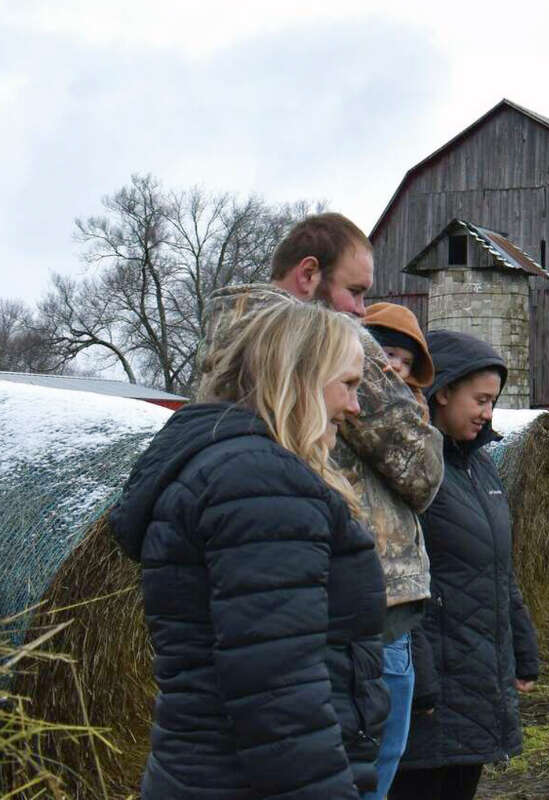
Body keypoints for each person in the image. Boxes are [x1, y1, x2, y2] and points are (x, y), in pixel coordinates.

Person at [200, 214, 444, 800]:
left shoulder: (225, 342)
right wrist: (412, 407)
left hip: (269, 601)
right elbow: (421, 471)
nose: (363, 311)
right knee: (360, 777)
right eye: (356, 291)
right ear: (309, 275)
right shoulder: (333, 340)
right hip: (365, 606)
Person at [109, 302, 387, 798]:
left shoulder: (226, 467)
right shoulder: (262, 484)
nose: (355, 407)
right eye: (347, 384)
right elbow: (280, 690)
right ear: (298, 378)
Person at [390, 331, 540, 800]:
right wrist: (424, 678)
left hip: (477, 675)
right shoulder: (412, 470)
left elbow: (497, 568)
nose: (487, 414)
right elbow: (395, 580)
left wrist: (523, 645)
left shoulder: (481, 469)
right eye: (480, 400)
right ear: (444, 390)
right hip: (432, 683)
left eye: (493, 402)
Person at [357, 301, 437, 798]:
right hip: (366, 604)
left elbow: (423, 481)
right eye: (384, 354)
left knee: (389, 747)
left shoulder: (412, 423)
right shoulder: (348, 409)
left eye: (404, 363)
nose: (393, 369)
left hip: (398, 609)